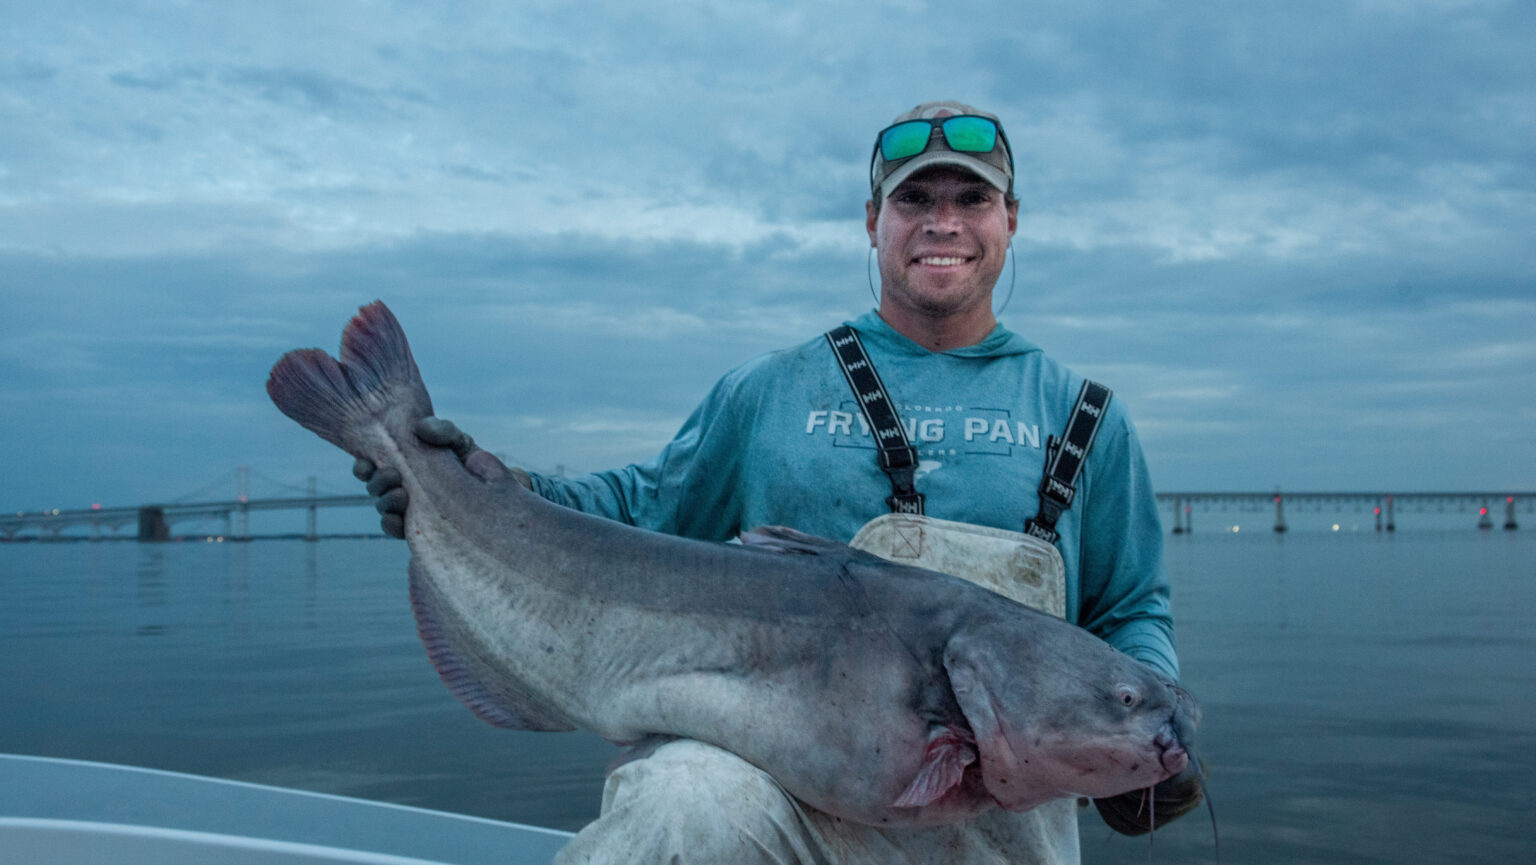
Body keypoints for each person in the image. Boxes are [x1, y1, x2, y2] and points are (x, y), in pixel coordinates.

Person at [358, 100, 1200, 864]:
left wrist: (1153, 739)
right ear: (874, 222)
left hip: (1001, 836)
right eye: (915, 201)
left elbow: (1130, 610)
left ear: (1011, 221)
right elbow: (643, 507)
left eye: (971, 200)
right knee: (680, 802)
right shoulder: (773, 393)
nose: (943, 222)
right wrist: (473, 489)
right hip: (779, 812)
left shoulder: (1085, 417)